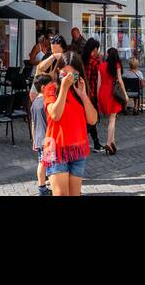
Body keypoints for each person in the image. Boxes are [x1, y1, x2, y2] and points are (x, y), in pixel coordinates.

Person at [42, 51, 98, 196]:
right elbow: (55, 114)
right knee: (60, 194)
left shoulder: (79, 90)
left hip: (77, 149)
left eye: (72, 74)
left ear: (78, 74)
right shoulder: (51, 89)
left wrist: (83, 95)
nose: (67, 77)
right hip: (55, 149)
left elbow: (93, 119)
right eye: (64, 73)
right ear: (59, 70)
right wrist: (64, 89)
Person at [98, 46, 126, 155]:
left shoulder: (101, 66)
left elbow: (98, 84)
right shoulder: (116, 65)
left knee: (110, 119)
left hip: (102, 93)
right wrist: (125, 94)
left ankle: (112, 142)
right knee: (112, 119)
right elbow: (120, 80)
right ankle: (109, 143)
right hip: (112, 93)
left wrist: (97, 97)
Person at [30, 68, 54, 195]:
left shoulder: (34, 103)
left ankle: (43, 187)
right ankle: (43, 188)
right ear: (44, 87)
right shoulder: (47, 102)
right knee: (47, 164)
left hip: (39, 138)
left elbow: (33, 123)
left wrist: (34, 140)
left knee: (43, 163)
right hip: (48, 139)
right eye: (51, 86)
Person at [82, 38, 105, 152]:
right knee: (92, 119)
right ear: (94, 49)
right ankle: (81, 141)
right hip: (91, 94)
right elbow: (94, 79)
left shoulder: (83, 60)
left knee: (90, 119)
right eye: (97, 49)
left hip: (83, 93)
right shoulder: (94, 62)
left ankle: (96, 143)